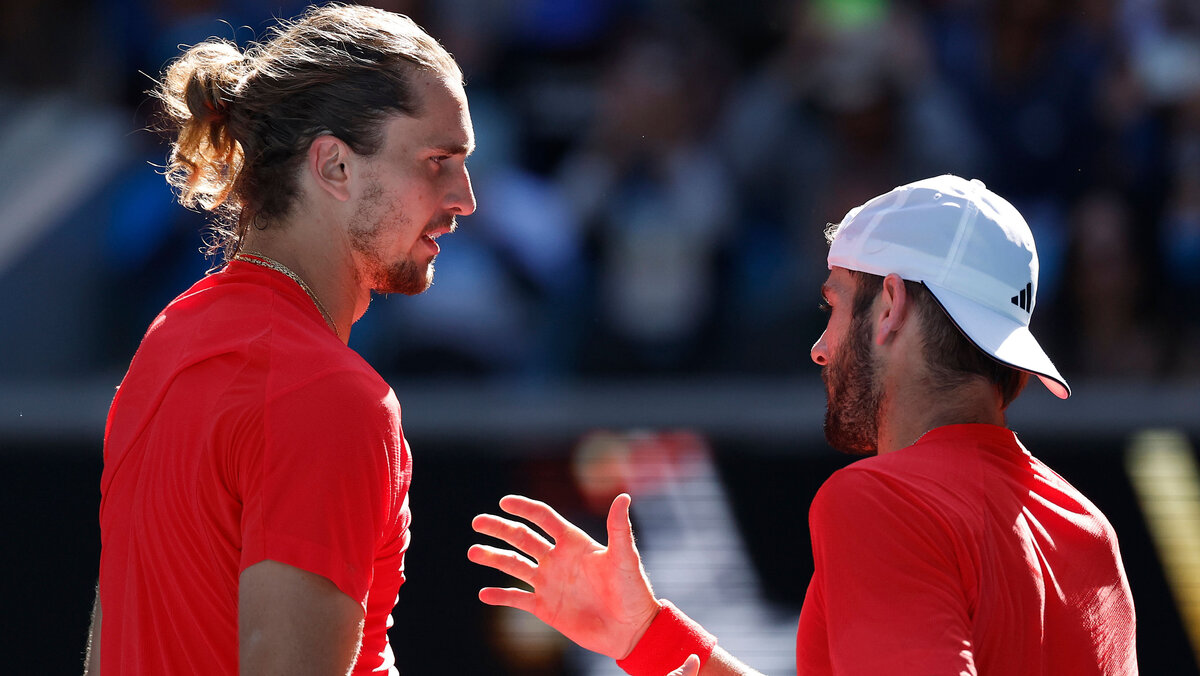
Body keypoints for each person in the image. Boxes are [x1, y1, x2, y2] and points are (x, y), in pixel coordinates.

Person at [469, 175, 1138, 675]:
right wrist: (648, 637)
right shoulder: (1086, 528)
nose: (820, 346)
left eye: (836, 305)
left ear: (891, 307)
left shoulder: (882, 502)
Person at [84, 4, 475, 674]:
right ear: (335, 168)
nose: (464, 196)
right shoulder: (329, 398)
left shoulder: (169, 338)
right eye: (438, 160)